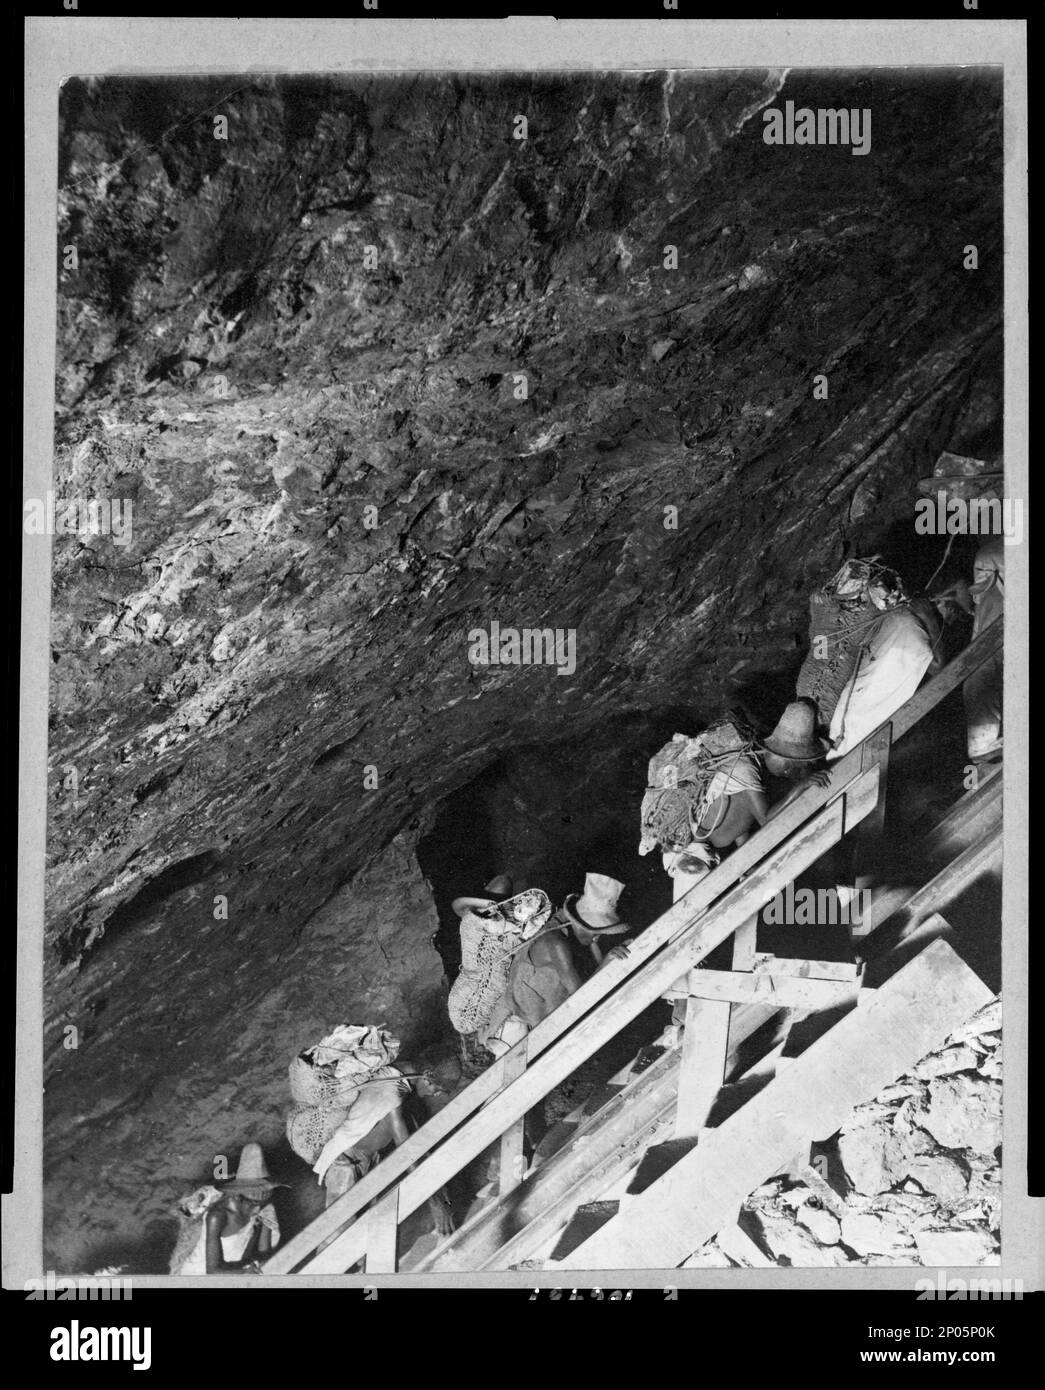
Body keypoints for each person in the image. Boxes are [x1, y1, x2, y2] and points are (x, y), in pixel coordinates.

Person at [286, 1024, 454, 1236]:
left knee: (361, 1233)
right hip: (346, 1165)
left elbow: (413, 1133)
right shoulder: (391, 1093)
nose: (436, 1094)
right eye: (437, 1089)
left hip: (364, 1161)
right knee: (337, 1236)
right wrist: (436, 1201)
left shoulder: (399, 1074)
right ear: (427, 1076)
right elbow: (406, 1151)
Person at [482, 873, 633, 1056]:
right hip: (514, 1027)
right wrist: (608, 962)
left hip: (536, 1021)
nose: (597, 937)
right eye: (595, 931)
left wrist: (604, 957)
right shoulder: (556, 943)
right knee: (514, 1078)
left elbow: (594, 968)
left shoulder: (573, 931)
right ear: (578, 923)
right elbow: (581, 998)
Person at [445, 878, 552, 1079]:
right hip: (472, 995)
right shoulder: (471, 922)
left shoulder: (501, 926)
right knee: (467, 1022)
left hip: (491, 991)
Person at [169, 1142, 285, 1275]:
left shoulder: (265, 1207)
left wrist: (256, 1265)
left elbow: (264, 1252)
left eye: (264, 1187)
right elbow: (212, 1271)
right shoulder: (218, 1215)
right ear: (240, 1189)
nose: (261, 1193)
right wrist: (244, 1272)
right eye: (255, 1188)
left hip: (236, 1272)